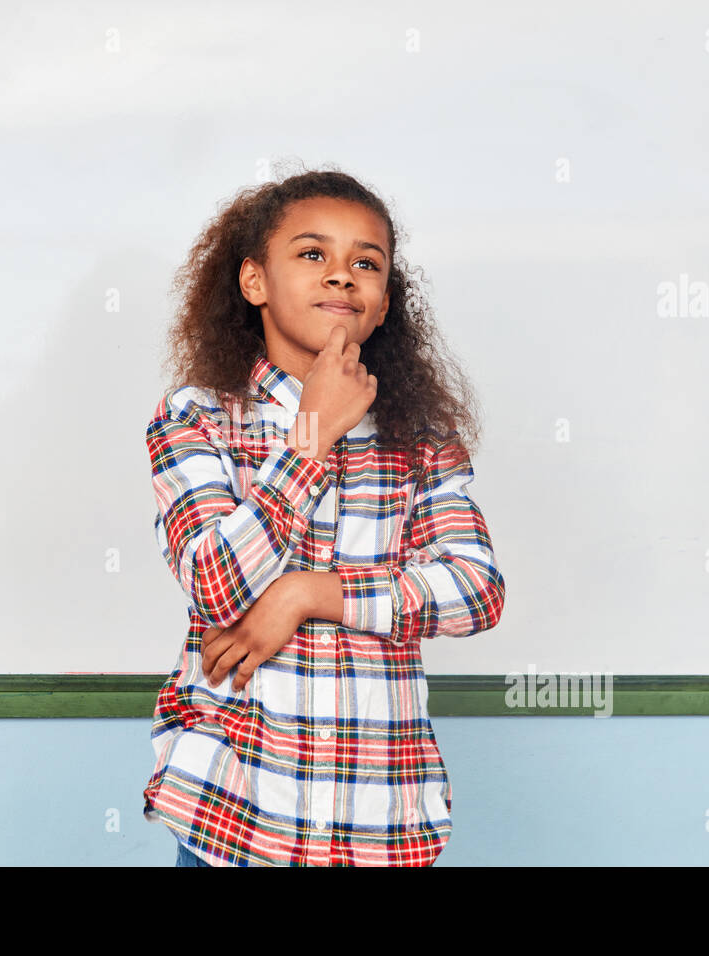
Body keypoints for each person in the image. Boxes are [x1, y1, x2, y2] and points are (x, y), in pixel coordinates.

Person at [142, 165, 506, 866]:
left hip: (380, 825)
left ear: (384, 300)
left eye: (364, 264)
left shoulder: (420, 439)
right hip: (237, 820)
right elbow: (216, 585)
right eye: (313, 255)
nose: (341, 276)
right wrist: (313, 438)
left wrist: (308, 594)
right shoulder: (198, 417)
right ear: (255, 283)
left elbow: (475, 590)